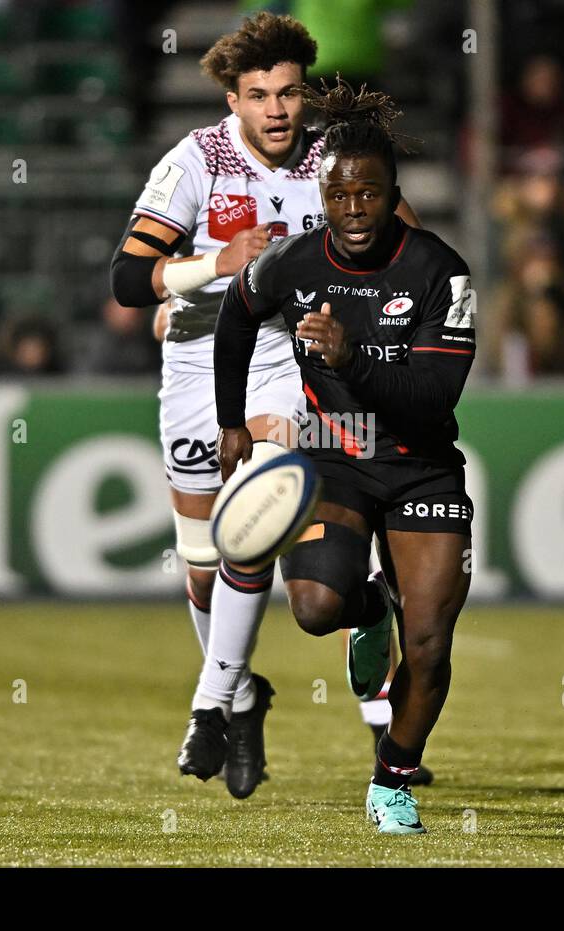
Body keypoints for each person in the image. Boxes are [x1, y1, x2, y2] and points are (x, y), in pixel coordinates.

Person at [109, 13, 424, 799]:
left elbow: (411, 254)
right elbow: (128, 279)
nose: (278, 110)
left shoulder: (332, 160)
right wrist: (212, 265)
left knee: (254, 507)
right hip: (196, 362)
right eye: (260, 95)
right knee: (202, 567)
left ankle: (211, 705)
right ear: (233, 101)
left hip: (285, 359)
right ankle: (245, 694)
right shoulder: (197, 160)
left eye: (288, 93)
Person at [214, 80, 474, 834]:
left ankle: (392, 779)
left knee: (428, 645)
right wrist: (231, 422)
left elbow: (431, 397)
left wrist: (350, 356)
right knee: (315, 608)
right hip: (333, 456)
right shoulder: (292, 264)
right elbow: (236, 315)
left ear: (394, 195)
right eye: (338, 195)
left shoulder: (440, 272)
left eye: (369, 194)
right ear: (320, 195)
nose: (354, 209)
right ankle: (369, 608)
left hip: (421, 463)